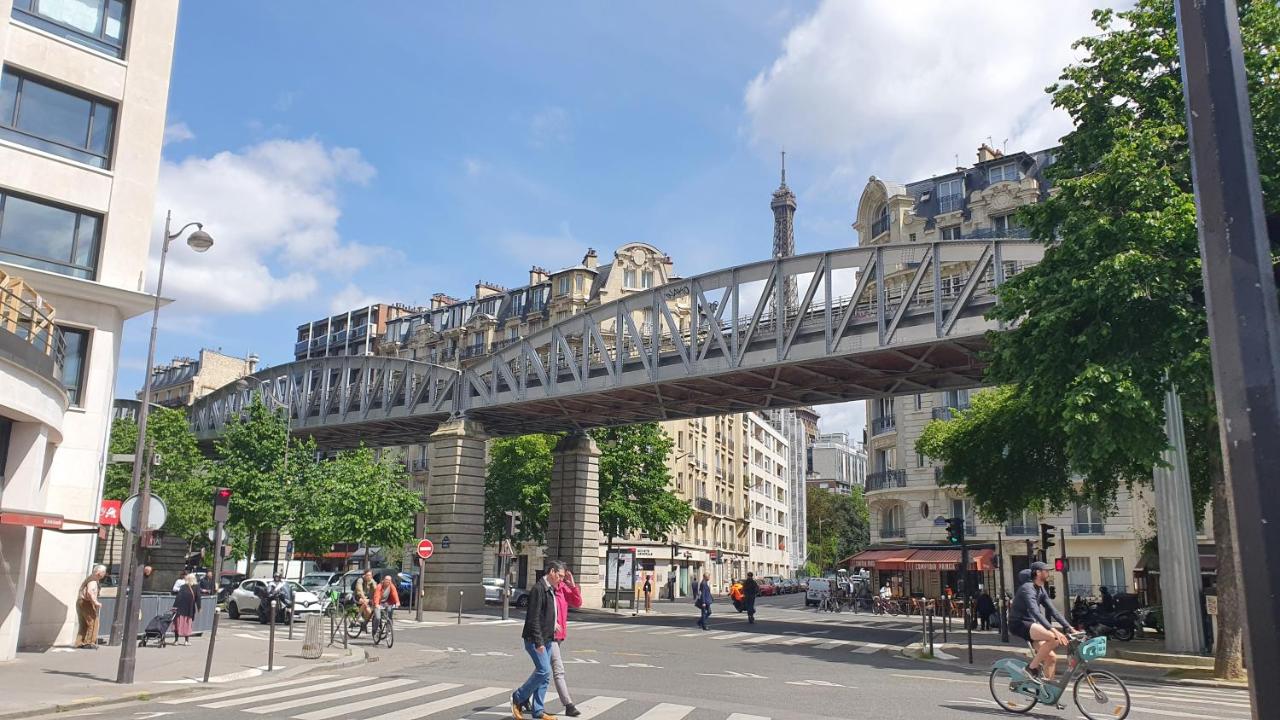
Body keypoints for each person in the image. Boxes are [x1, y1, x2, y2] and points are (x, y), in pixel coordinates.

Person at [512, 560, 565, 720]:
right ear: (552, 572)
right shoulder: (538, 589)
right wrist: (538, 642)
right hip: (535, 639)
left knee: (545, 675)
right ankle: (518, 697)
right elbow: (533, 618)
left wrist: (554, 624)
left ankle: (538, 711)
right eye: (560, 576)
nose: (561, 579)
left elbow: (546, 613)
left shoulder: (549, 589)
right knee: (543, 670)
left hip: (548, 637)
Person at [1008, 562, 1073, 683]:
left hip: (1031, 625)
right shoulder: (1027, 588)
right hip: (1019, 623)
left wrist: (1069, 627)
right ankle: (1031, 668)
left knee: (1051, 657)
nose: (1048, 573)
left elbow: (1053, 611)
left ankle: (1048, 691)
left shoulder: (1041, 589)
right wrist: (1054, 630)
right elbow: (1036, 612)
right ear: (1038, 572)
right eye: (1046, 571)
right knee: (1053, 638)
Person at [75, 565, 106, 649]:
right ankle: (89, 642)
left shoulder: (90, 578)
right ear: (99, 573)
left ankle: (79, 642)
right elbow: (89, 592)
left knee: (84, 624)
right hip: (86, 602)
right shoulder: (93, 581)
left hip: (80, 601)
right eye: (104, 572)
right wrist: (95, 602)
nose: (104, 574)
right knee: (93, 622)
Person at [173, 573, 201, 645]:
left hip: (180, 608)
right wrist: (199, 607)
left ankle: (176, 640)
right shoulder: (196, 587)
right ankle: (186, 641)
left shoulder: (183, 587)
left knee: (178, 624)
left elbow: (178, 597)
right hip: (190, 608)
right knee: (188, 624)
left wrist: (174, 606)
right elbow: (198, 598)